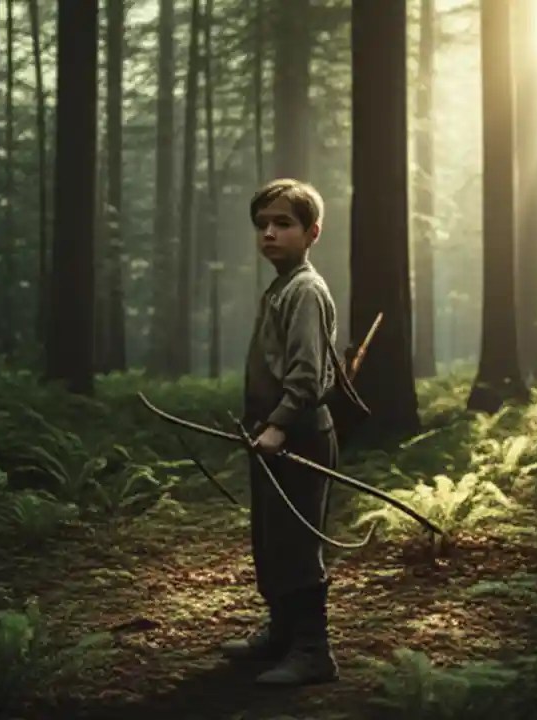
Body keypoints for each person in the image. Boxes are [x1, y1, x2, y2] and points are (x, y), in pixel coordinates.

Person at [221, 178, 340, 686]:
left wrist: (279, 425)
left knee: (296, 544)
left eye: (283, 223)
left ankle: (314, 652)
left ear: (312, 232)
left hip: (299, 437)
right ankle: (282, 634)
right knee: (270, 542)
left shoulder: (306, 291)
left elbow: (307, 376)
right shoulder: (281, 287)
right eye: (262, 224)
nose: (269, 233)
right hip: (270, 436)